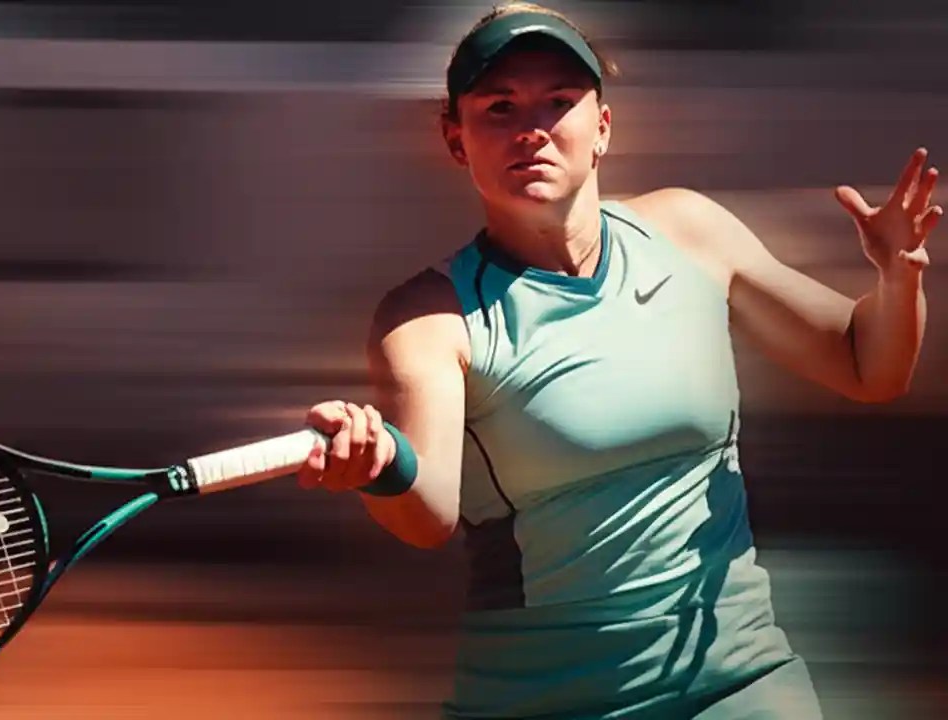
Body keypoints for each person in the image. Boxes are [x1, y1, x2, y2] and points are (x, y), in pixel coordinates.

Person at [294, 3, 938, 718]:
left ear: (603, 126)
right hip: (546, 703)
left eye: (560, 103)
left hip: (742, 684)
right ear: (456, 139)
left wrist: (896, 277)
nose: (532, 129)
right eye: (499, 106)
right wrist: (381, 466)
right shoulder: (427, 318)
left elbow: (867, 365)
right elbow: (429, 514)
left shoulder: (690, 231)